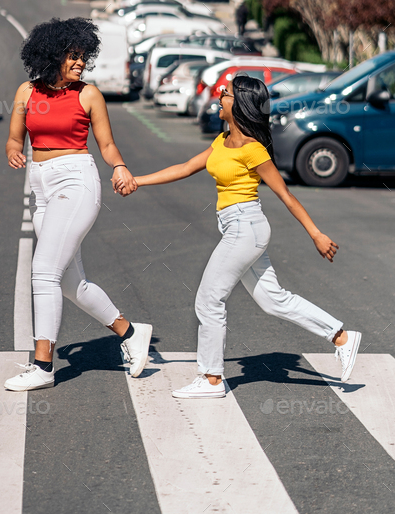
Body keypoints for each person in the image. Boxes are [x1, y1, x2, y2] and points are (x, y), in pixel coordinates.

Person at [121, 75, 360, 399]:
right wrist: (138, 180)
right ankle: (341, 337)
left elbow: (286, 195)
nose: (220, 95)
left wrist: (316, 234)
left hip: (245, 229)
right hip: (237, 228)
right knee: (272, 299)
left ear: (241, 104)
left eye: (227, 93)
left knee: (208, 300)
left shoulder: (253, 149)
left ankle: (212, 379)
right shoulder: (222, 141)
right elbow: (186, 166)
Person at [4, 16, 153, 392]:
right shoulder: (26, 93)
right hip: (42, 186)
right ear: (52, 55)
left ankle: (43, 366)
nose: (80, 63)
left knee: (43, 270)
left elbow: (106, 145)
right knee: (71, 283)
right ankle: (132, 334)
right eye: (72, 56)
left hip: (76, 181)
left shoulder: (89, 95)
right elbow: (14, 137)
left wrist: (119, 166)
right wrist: (12, 151)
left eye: (83, 56)